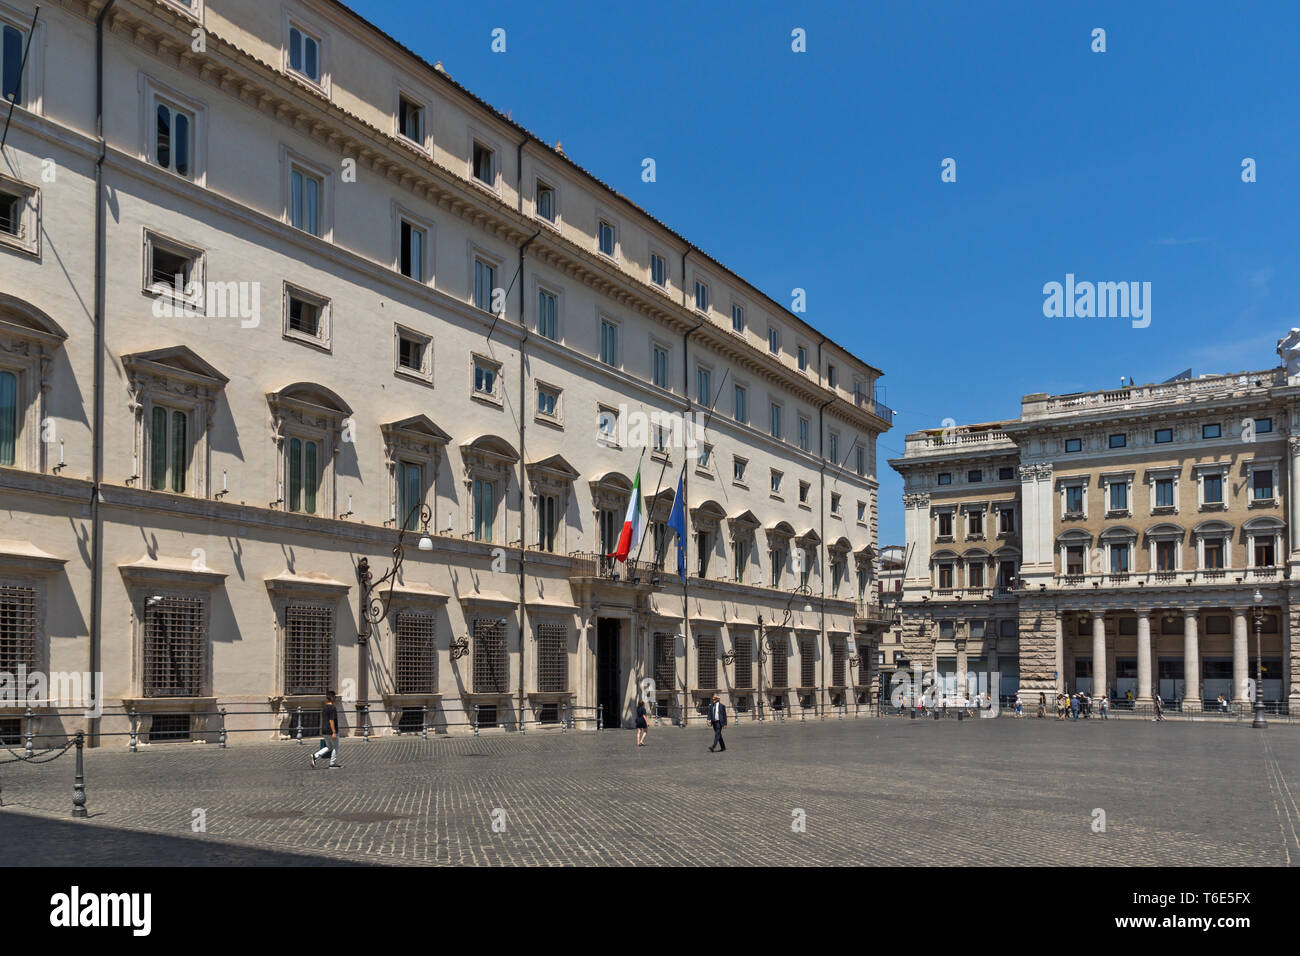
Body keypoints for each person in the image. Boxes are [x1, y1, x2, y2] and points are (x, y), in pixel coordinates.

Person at [310, 689, 341, 769]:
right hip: (331, 731)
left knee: (329, 747)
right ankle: (332, 763)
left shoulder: (325, 707)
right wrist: (334, 732)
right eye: (335, 697)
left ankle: (315, 755)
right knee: (335, 747)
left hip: (324, 730)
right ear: (332, 697)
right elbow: (331, 720)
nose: (335, 699)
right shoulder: (332, 708)